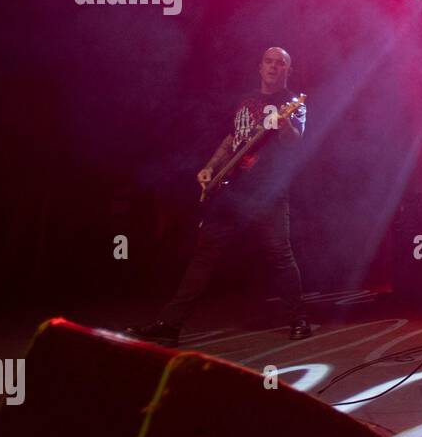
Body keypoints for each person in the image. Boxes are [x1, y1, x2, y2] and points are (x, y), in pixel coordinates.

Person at [128, 47, 310, 347]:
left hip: (267, 191)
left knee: (280, 254)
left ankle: (299, 319)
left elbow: (294, 141)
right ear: (260, 66)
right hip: (233, 189)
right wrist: (210, 168)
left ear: (288, 71)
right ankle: (169, 325)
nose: (274, 67)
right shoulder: (245, 100)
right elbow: (231, 140)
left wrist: (285, 124)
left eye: (281, 64)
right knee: (205, 255)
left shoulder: (292, 103)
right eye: (269, 61)